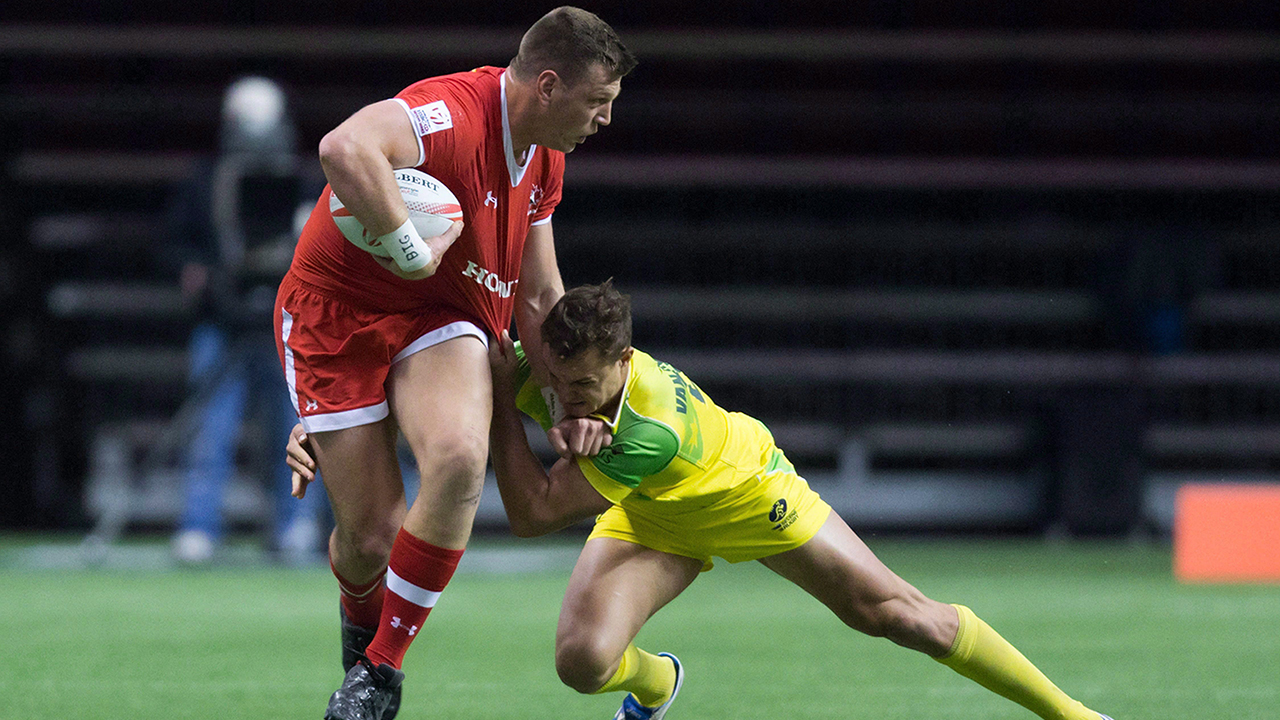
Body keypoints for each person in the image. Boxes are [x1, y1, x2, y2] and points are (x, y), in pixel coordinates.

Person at [287, 281, 1116, 720]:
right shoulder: (556, 372)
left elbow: (536, 511)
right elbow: (427, 401)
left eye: (584, 387)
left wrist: (507, 402)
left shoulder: (648, 424)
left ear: (624, 361)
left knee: (900, 616)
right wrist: (326, 431)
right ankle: (658, 686)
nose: (569, 399)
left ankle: (1073, 715)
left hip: (746, 498)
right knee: (580, 665)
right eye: (557, 380)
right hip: (652, 517)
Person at [273, 8, 636, 719]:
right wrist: (409, 247)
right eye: (598, 103)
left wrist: (574, 403)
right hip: (335, 316)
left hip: (441, 317)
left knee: (461, 455)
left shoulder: (546, 156)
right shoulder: (449, 114)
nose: (605, 121)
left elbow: (537, 295)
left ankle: (379, 673)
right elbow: (343, 148)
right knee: (371, 537)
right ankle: (358, 642)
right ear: (549, 85)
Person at [169, 75, 328, 565]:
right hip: (224, 321)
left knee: (300, 431)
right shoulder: (205, 180)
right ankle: (199, 526)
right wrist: (193, 271)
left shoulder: (305, 180)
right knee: (210, 431)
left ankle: (296, 523)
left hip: (289, 328)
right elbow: (175, 242)